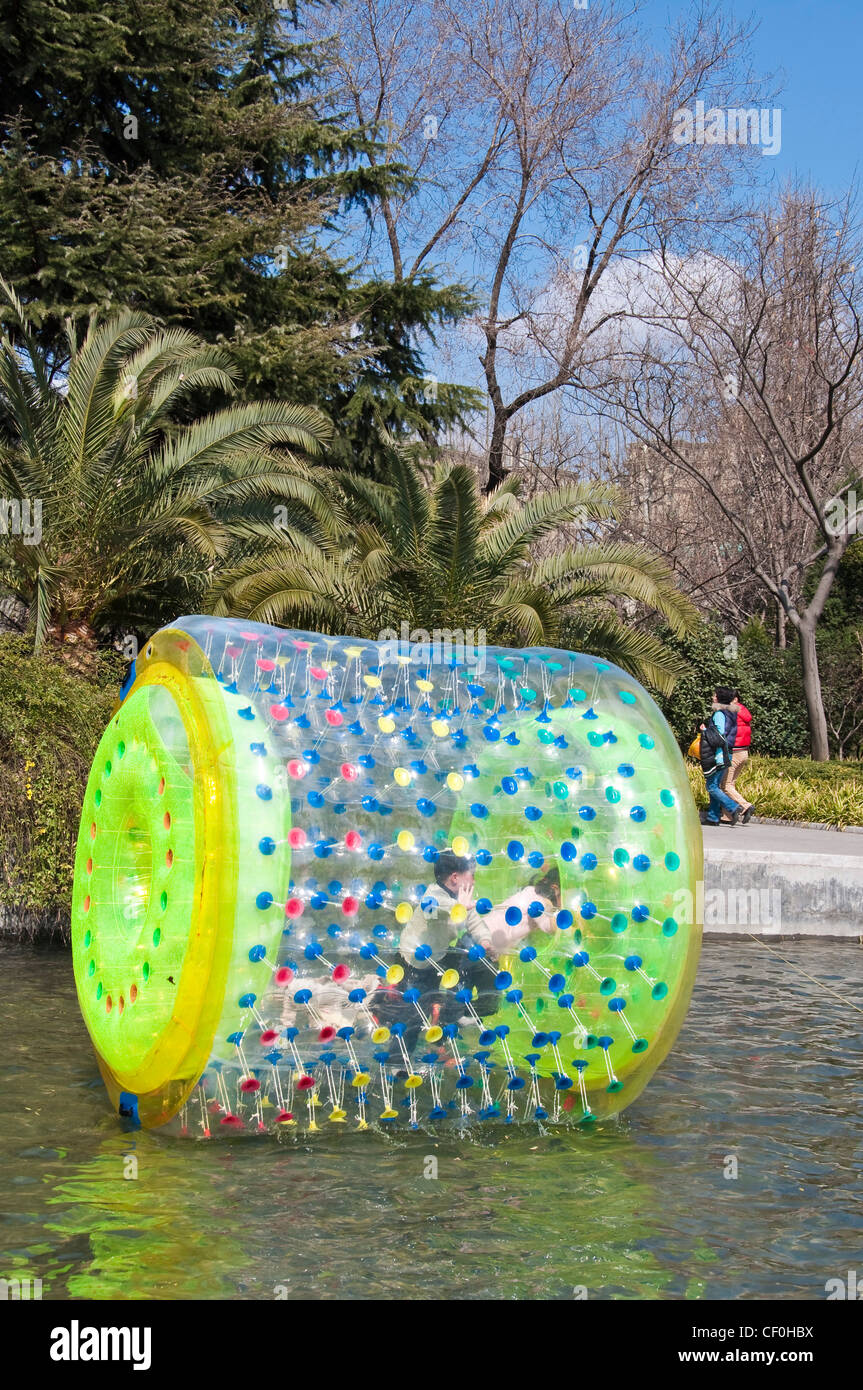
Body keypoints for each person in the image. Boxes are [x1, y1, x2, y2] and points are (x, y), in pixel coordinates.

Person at [372, 851, 556, 1048]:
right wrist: (458, 907)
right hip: (413, 962)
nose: (475, 881)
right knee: (413, 1015)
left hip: (439, 957)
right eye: (472, 875)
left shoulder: (462, 901)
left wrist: (485, 941)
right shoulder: (433, 896)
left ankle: (456, 1017)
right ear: (455, 878)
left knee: (476, 993)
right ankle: (394, 1052)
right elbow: (432, 911)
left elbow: (476, 925)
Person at [698, 687, 741, 826]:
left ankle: (733, 807)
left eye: (714, 695)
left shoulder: (719, 714)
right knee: (715, 784)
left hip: (719, 754)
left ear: (719, 698)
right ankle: (713, 817)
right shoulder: (731, 713)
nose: (712, 696)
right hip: (726, 751)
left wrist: (705, 731)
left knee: (711, 786)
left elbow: (719, 735)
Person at [720, 691, 755, 824]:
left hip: (734, 752)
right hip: (744, 752)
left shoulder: (732, 710)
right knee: (730, 784)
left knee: (725, 785)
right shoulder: (743, 710)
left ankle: (746, 806)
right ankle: (726, 816)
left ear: (735, 699)